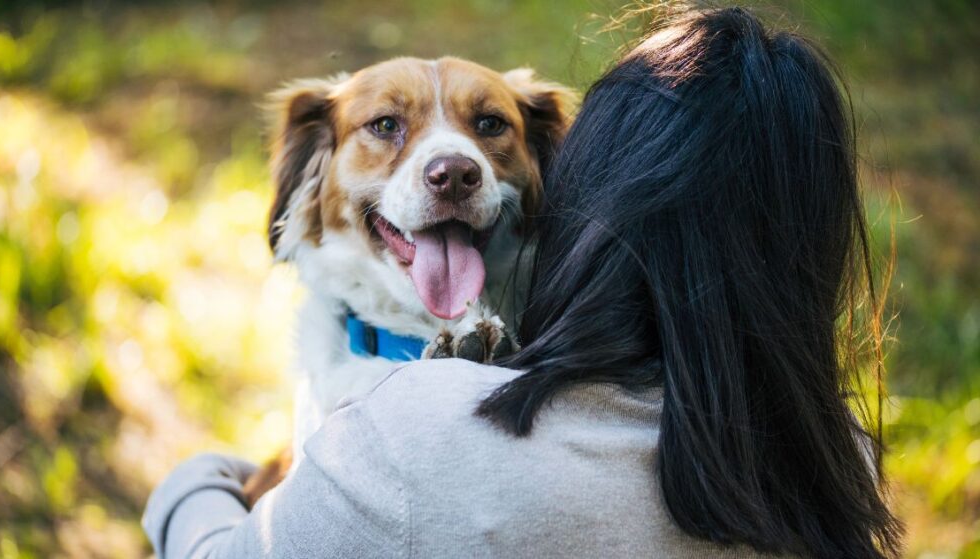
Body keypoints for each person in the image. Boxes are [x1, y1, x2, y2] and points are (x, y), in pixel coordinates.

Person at [143, 6, 902, 558]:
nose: (450, 163)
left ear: (569, 182)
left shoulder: (410, 439)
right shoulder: (838, 455)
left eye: (488, 127)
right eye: (387, 126)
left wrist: (195, 480)